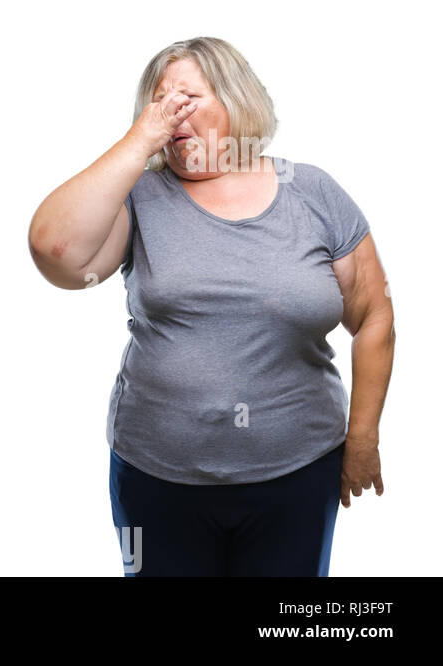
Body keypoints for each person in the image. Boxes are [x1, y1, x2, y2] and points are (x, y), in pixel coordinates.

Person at [28, 36, 394, 576]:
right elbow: (57, 253)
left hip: (299, 470)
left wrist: (362, 437)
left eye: (186, 97)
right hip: (154, 476)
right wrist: (139, 141)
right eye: (158, 101)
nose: (168, 112)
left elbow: (374, 317)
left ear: (236, 99)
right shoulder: (138, 196)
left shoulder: (312, 191)